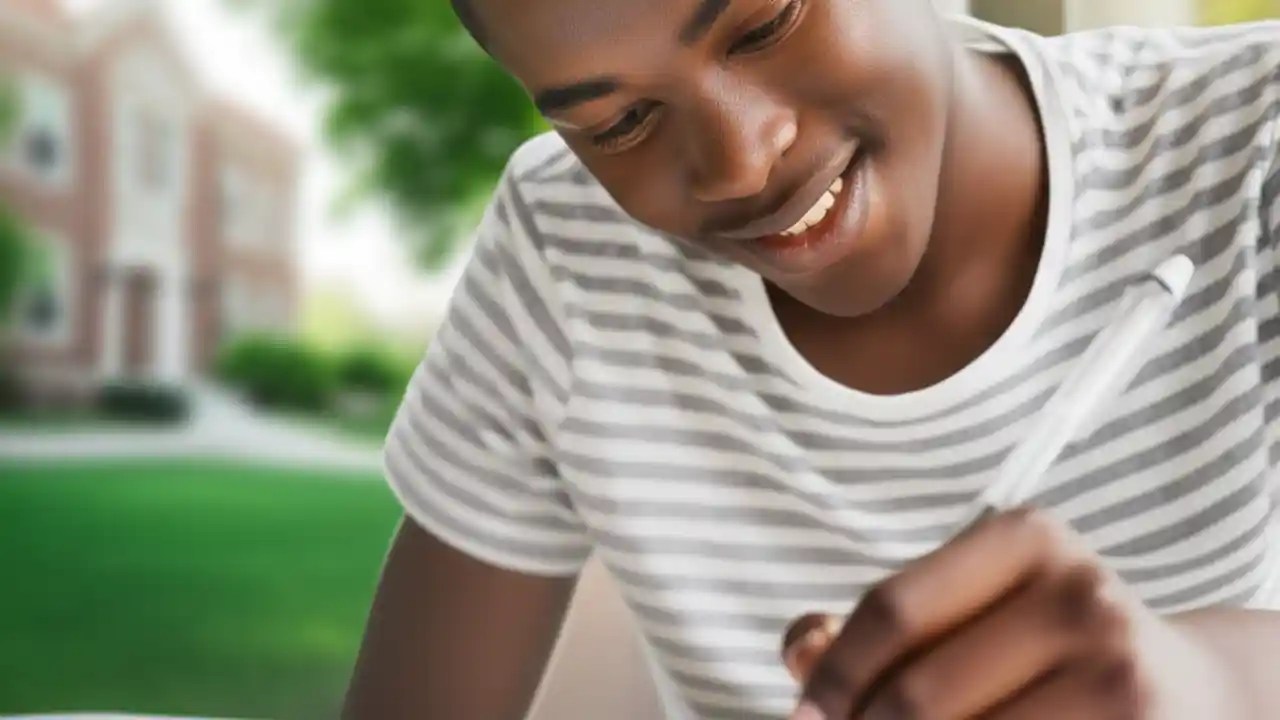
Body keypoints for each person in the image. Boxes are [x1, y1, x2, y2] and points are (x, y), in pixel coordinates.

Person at [342, 1, 1280, 718]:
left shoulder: (1252, 133)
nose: (740, 164)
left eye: (766, 23)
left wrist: (1214, 684)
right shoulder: (564, 248)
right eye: (621, 123)